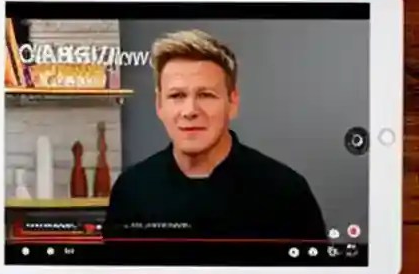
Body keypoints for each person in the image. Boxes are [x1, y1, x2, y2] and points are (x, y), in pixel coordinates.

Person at [103, 29, 327, 241]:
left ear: (233, 102)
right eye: (177, 95)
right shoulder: (131, 190)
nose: (190, 111)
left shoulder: (287, 192)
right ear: (159, 105)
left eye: (206, 95)